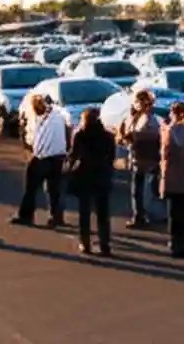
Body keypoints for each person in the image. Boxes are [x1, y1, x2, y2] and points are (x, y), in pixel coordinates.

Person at [11, 93, 71, 228]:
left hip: (42, 157)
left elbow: (31, 140)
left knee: (30, 187)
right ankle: (56, 217)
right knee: (54, 189)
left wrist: (23, 130)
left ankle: (26, 216)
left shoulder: (38, 119)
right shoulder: (59, 115)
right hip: (58, 156)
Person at [68, 108, 116, 257]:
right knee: (103, 213)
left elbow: (73, 155)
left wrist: (69, 169)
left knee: (85, 212)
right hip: (102, 175)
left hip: (84, 175)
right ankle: (105, 244)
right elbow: (111, 157)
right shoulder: (108, 136)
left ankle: (85, 242)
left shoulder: (80, 135)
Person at [116, 90, 162, 228]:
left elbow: (146, 136)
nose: (135, 104)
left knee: (140, 190)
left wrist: (130, 136)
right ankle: (141, 215)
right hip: (139, 157)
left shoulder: (149, 119)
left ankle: (140, 216)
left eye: (138, 101)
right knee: (141, 189)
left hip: (145, 158)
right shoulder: (137, 117)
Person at [159, 101, 184, 258]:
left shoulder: (180, 131)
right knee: (178, 215)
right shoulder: (174, 131)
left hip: (183, 179)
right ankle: (177, 245)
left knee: (182, 214)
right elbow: (169, 155)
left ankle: (181, 244)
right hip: (177, 180)